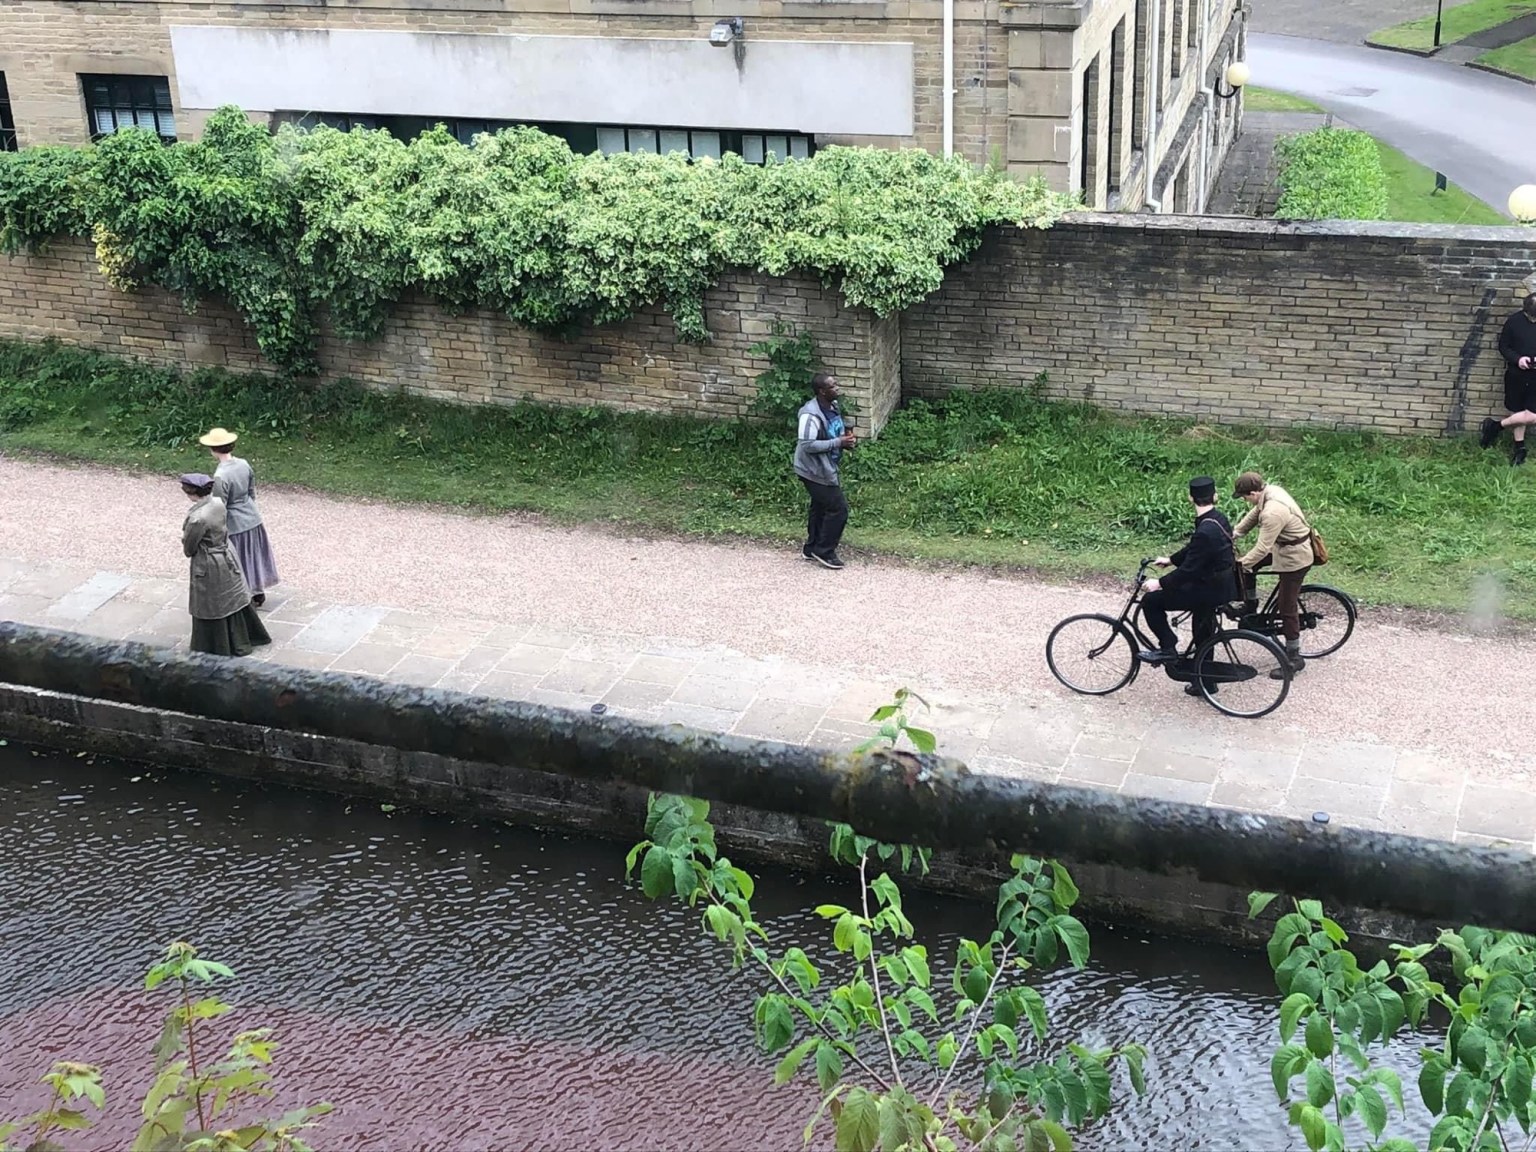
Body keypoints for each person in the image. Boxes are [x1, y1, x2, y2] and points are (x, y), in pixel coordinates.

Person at [1138, 476, 1239, 696]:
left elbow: (1189, 570)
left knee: (1151, 602)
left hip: (1208, 589)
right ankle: (1205, 682)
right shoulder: (1218, 519)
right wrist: (1171, 560)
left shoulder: (1205, 530)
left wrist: (1159, 583)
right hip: (1222, 586)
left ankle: (1168, 647)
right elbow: (1195, 549)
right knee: (1203, 629)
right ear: (1215, 496)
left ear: (1190, 497)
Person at [179, 472, 272, 657]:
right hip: (226, 554)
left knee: (211, 602)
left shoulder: (198, 518)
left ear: (190, 492)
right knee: (233, 597)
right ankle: (242, 637)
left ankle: (217, 644)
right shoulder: (218, 503)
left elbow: (189, 547)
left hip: (209, 563)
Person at [1232, 471, 1314, 678]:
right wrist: (1235, 533)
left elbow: (1261, 548)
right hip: (1282, 548)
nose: (1244, 501)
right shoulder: (1270, 491)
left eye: (1244, 497)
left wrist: (1240, 565)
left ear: (1253, 492)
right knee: (1249, 567)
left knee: (1287, 607)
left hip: (1294, 558)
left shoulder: (1273, 512)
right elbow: (1254, 513)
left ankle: (1294, 658)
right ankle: (1250, 605)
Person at [201, 427, 281, 606]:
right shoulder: (243, 464)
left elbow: (220, 505)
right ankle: (258, 591)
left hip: (236, 523)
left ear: (213, 450)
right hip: (252, 516)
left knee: (239, 559)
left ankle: (245, 594)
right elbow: (251, 490)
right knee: (254, 555)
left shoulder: (221, 475)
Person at [793, 373, 857, 570]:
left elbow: (833, 433)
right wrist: (838, 442)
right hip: (813, 470)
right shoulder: (809, 415)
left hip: (827, 465)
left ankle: (811, 547)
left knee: (820, 507)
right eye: (832, 386)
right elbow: (807, 445)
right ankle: (825, 551)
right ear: (821, 391)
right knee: (838, 509)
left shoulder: (833, 406)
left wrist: (845, 443)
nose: (837, 388)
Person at [1479, 293, 1536, 466]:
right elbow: (1503, 346)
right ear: (1528, 309)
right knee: (1516, 410)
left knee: (1532, 416)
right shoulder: (1513, 322)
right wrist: (1518, 359)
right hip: (1516, 374)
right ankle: (1519, 449)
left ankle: (1495, 426)